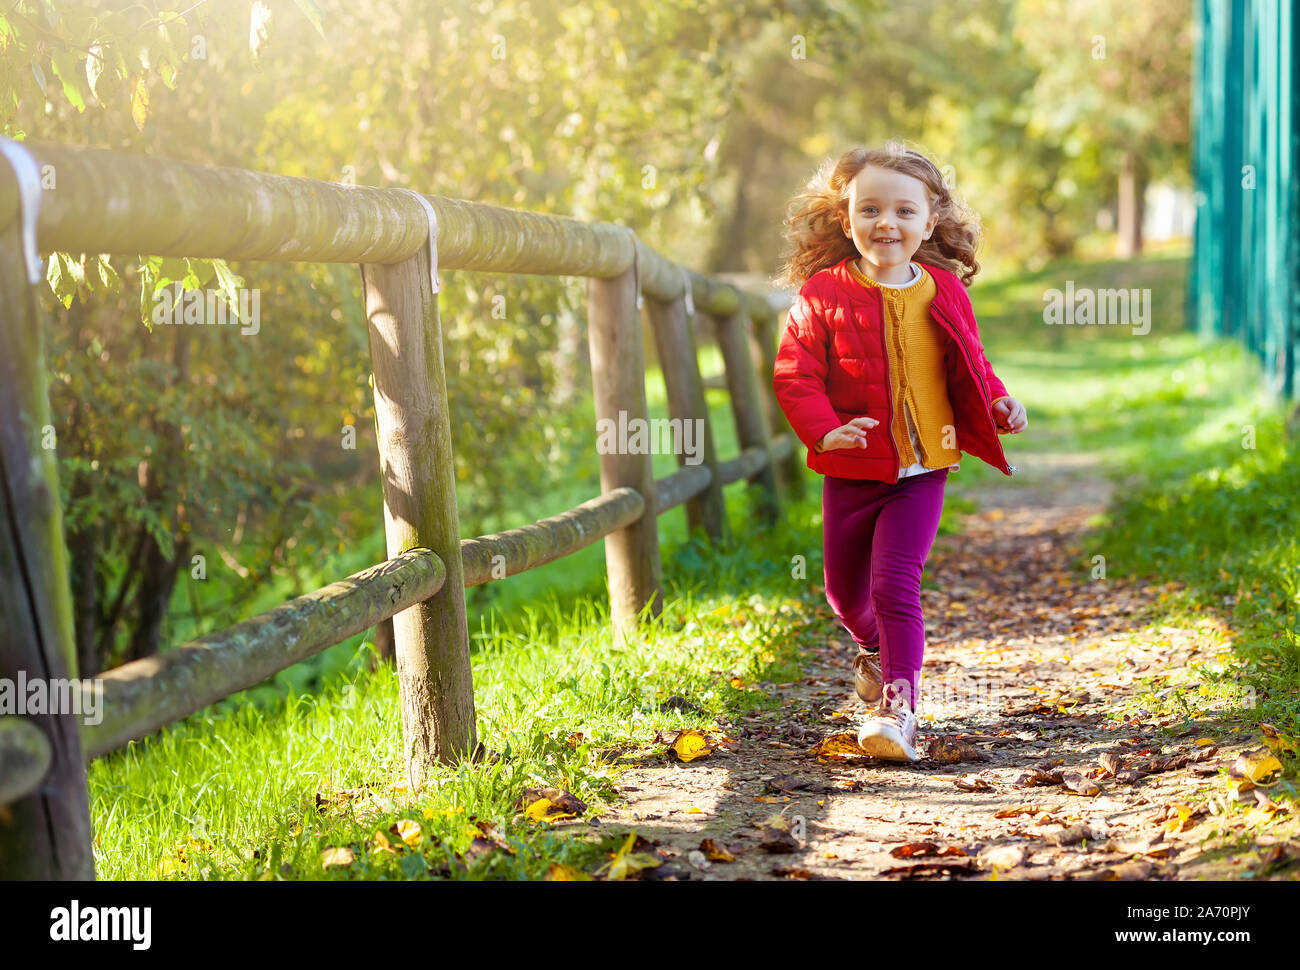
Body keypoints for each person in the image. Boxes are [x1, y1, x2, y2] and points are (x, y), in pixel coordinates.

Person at [772, 141, 1028, 761]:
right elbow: (795, 373)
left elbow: (971, 360)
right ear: (847, 217)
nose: (887, 223)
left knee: (895, 583)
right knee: (844, 596)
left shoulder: (943, 289)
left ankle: (899, 706)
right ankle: (875, 648)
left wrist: (998, 401)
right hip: (852, 468)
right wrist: (824, 429)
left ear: (929, 221)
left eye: (904, 212)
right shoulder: (823, 294)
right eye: (871, 210)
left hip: (923, 466)